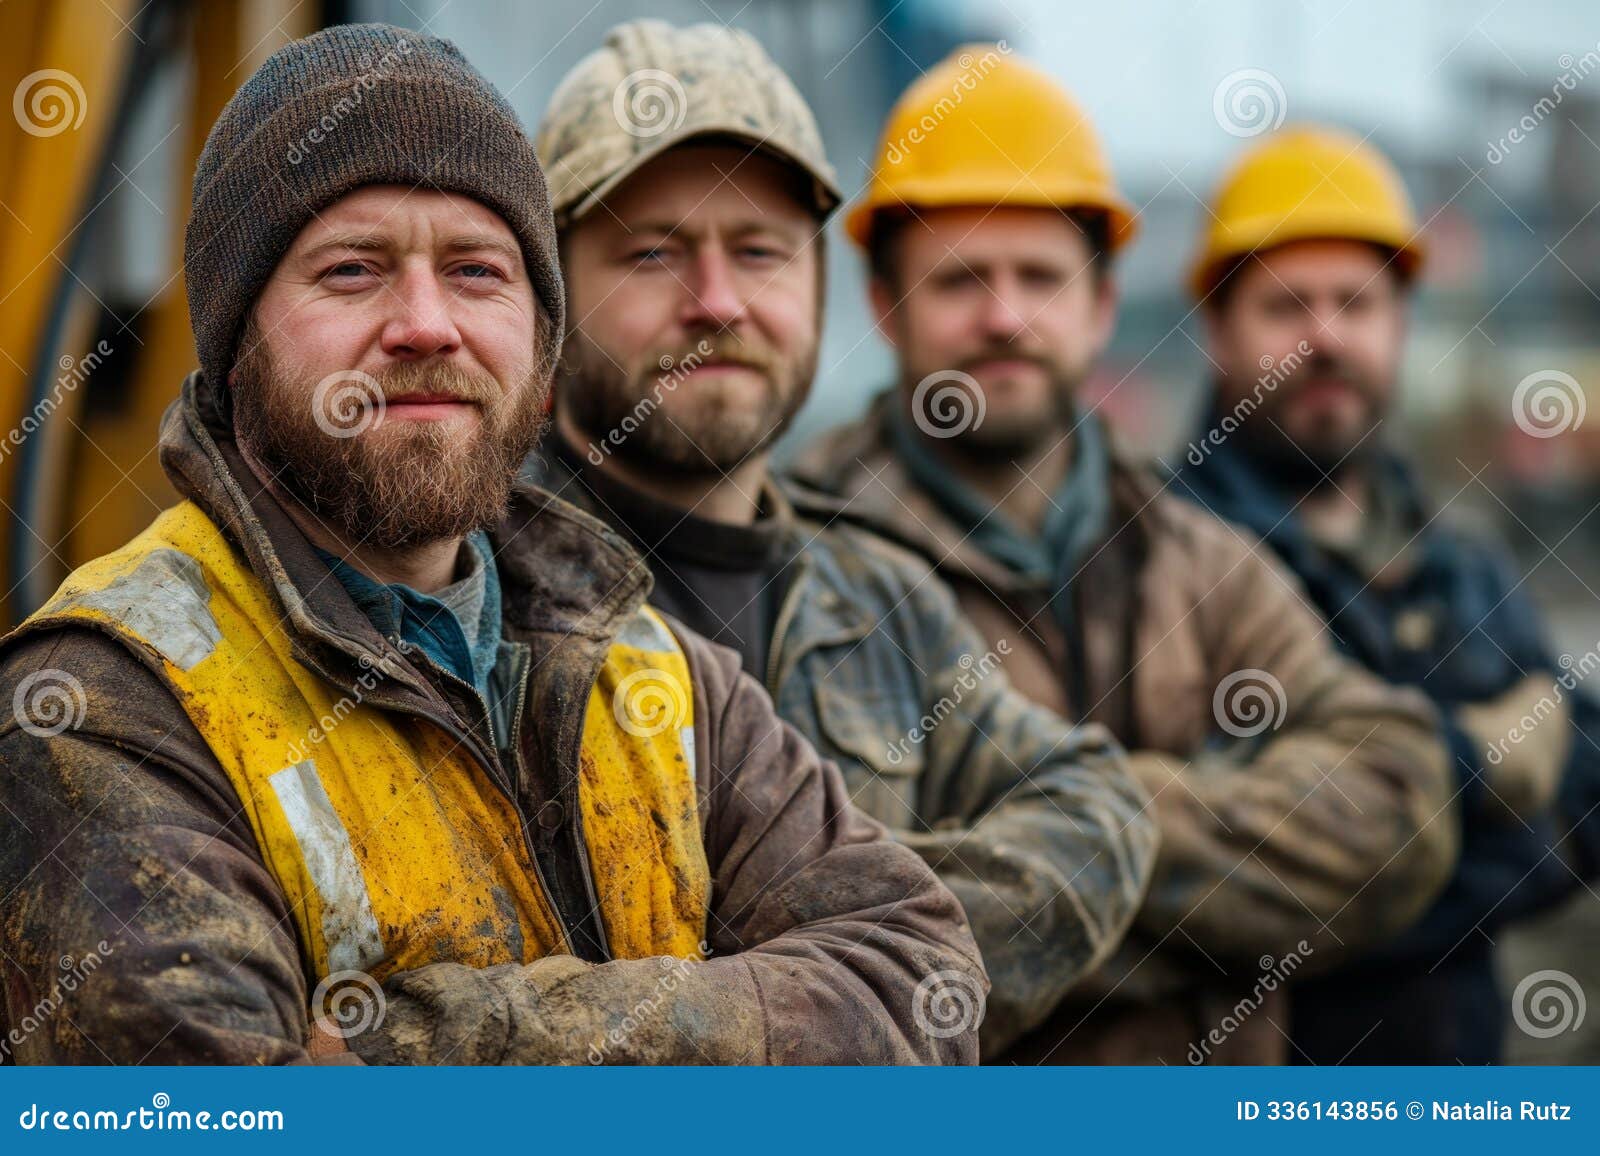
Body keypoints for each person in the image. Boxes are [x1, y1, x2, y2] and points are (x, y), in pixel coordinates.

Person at [0, 23, 985, 1066]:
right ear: (234, 348)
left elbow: (919, 979)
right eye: (351, 269)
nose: (427, 325)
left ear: (540, 344)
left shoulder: (646, 669)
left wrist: (456, 1035)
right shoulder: (101, 708)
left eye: (476, 270)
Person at [789, 49, 1457, 1063]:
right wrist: (1219, 918)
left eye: (1040, 277)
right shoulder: (798, 563)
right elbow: (790, 925)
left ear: (1100, 307)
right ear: (885, 306)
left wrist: (1070, 832)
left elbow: (1398, 805)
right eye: (961, 279)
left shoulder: (1199, 558)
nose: (1005, 315)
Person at [528, 18, 1159, 1058]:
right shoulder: (462, 594)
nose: (717, 303)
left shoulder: (878, 600)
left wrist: (812, 953)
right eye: (652, 253)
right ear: (547, 295)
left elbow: (1095, 810)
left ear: (818, 287)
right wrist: (863, 956)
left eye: (761, 252)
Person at [1169, 124, 1600, 1063]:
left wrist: (1401, 842)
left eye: (1355, 303)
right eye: (1287, 305)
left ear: (1401, 322)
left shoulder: (1461, 559)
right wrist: (1505, 808)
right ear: (1217, 328)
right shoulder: (1163, 567)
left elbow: (1589, 779)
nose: (1325, 337)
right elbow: (1231, 896)